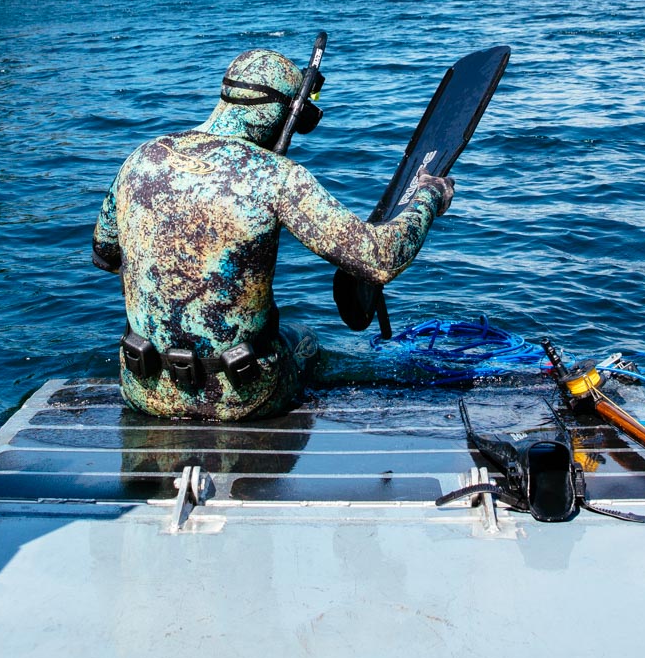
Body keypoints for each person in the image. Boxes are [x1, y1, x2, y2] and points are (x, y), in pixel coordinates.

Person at [93, 47, 454, 420]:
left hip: (143, 391)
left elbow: (105, 254)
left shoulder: (142, 158)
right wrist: (429, 195)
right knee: (306, 340)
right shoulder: (276, 177)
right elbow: (380, 259)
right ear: (280, 114)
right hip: (246, 399)